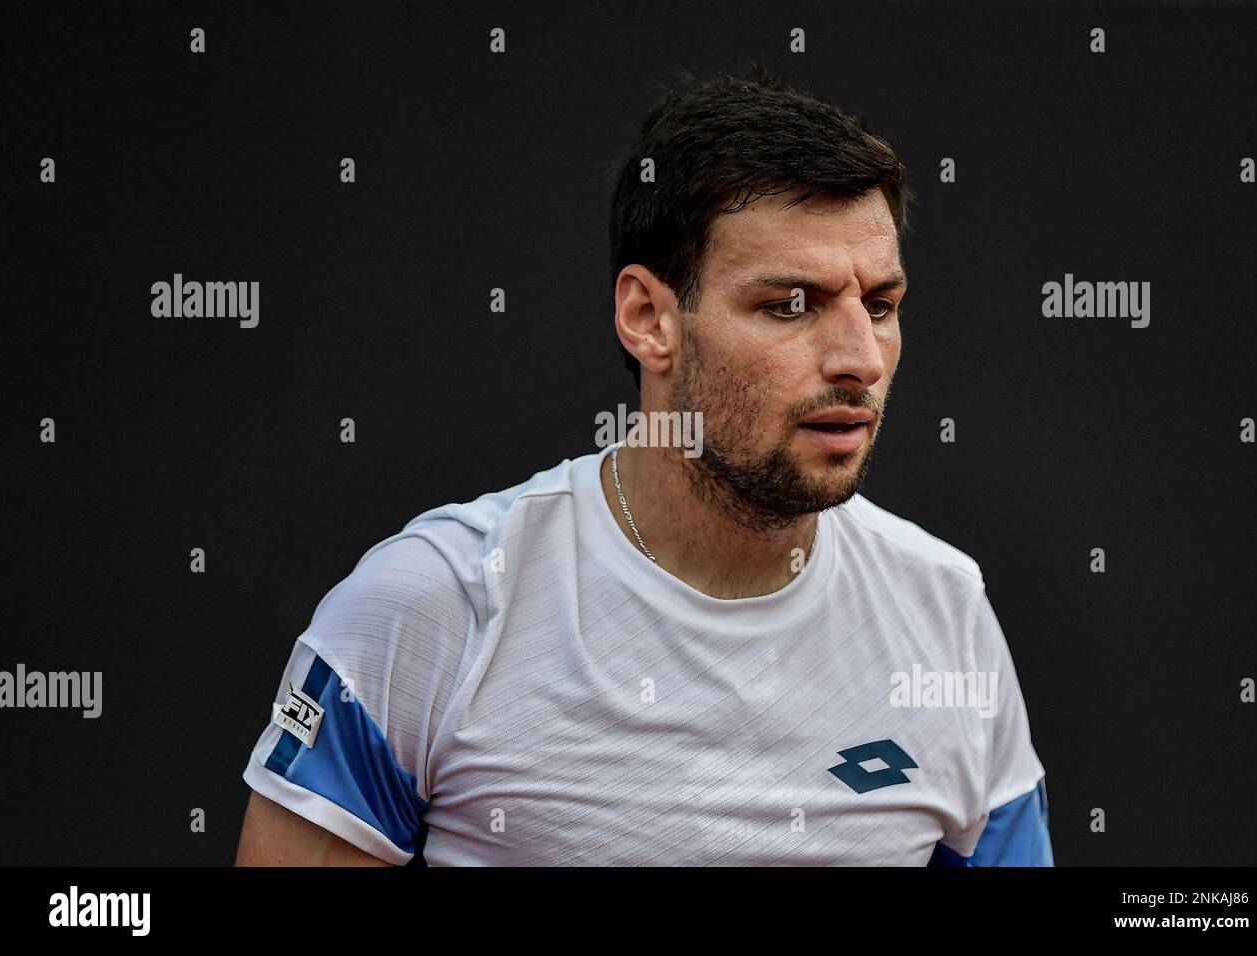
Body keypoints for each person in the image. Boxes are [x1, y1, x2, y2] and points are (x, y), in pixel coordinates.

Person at [235, 63, 1053, 866]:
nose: (859, 359)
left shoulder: (947, 612)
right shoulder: (438, 604)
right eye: (788, 306)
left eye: (879, 306)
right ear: (649, 318)